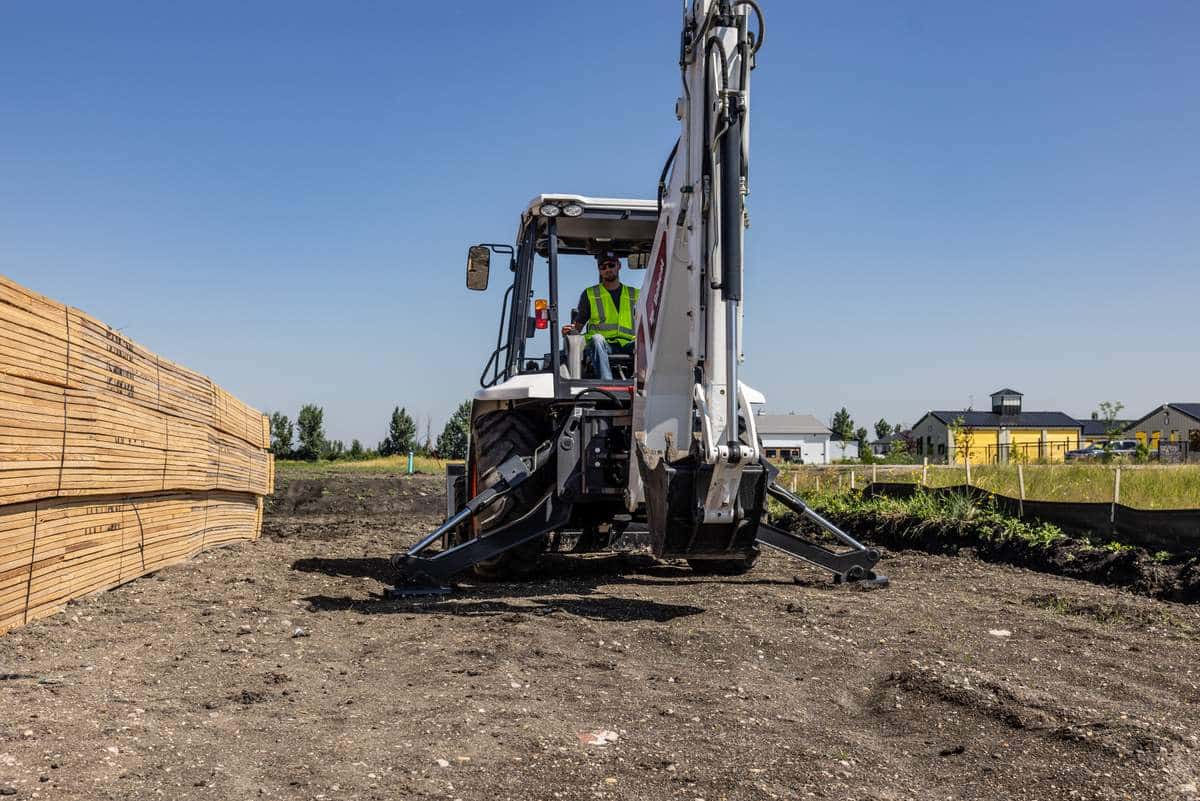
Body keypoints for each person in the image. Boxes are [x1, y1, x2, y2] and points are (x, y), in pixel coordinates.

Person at [561, 251, 639, 380]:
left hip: (628, 344)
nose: (607, 269)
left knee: (642, 343)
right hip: (602, 345)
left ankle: (643, 381)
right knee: (597, 339)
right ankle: (607, 383)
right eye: (603, 267)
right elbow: (577, 327)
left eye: (611, 265)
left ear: (619, 266)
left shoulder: (635, 294)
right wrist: (569, 331)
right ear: (599, 270)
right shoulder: (590, 294)